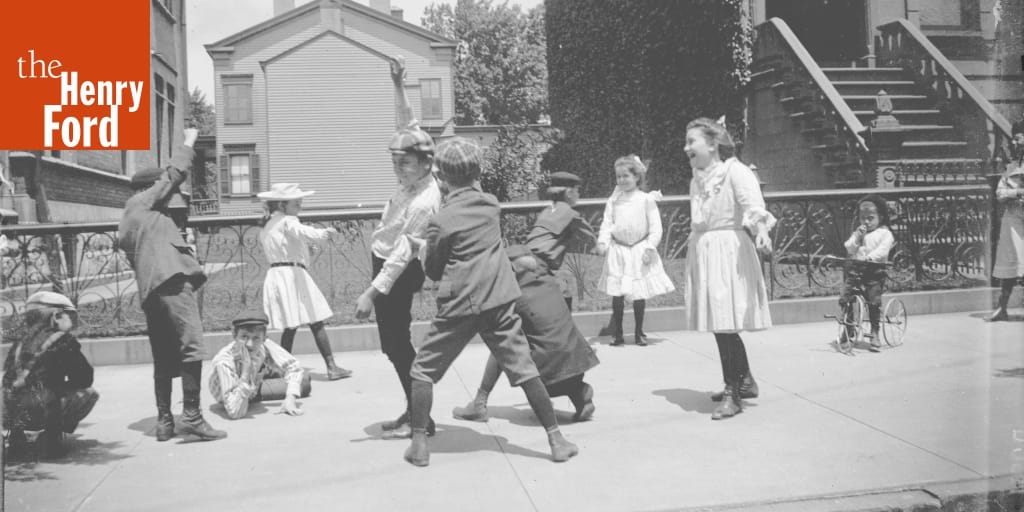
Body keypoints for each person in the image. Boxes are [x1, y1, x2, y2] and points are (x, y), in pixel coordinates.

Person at [403, 137, 578, 467]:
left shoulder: (441, 220)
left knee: (422, 371)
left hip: (459, 305)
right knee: (525, 369)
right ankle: (556, 439)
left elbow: (435, 269)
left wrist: (422, 248)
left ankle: (419, 445)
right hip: (498, 301)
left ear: (440, 177)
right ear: (478, 171)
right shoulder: (491, 205)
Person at [452, 171, 599, 423]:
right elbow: (594, 244)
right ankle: (577, 392)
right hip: (535, 275)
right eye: (577, 191)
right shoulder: (570, 213)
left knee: (507, 335)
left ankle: (481, 401)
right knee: (522, 337)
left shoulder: (548, 211)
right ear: (570, 192)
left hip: (519, 269)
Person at [353, 55, 442, 437]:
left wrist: (371, 293)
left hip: (398, 271)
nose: (399, 168)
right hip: (386, 261)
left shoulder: (425, 201)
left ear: (425, 164)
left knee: (396, 344)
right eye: (397, 162)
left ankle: (422, 417)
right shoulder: (414, 181)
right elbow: (408, 125)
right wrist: (398, 85)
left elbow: (403, 254)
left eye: (406, 163)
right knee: (394, 343)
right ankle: (414, 409)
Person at [118, 127, 226, 442]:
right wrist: (189, 140)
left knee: (164, 355)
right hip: (173, 285)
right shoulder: (145, 202)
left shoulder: (132, 220)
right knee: (192, 347)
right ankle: (191, 417)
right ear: (151, 189)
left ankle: (165, 422)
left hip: (152, 293)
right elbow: (175, 172)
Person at [683, 117, 775, 421]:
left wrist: (761, 231)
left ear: (712, 144)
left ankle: (733, 392)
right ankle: (744, 381)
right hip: (706, 250)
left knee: (724, 322)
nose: (686, 148)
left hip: (728, 253)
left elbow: (753, 207)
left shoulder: (735, 171)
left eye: (692, 141)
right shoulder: (697, 178)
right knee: (720, 322)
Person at [257, 182, 352, 380]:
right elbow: (301, 231)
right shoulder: (287, 220)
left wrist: (304, 252)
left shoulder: (268, 225)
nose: (300, 203)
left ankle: (282, 367)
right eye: (296, 201)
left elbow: (284, 248)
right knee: (315, 320)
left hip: (279, 274)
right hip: (292, 276)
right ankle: (331, 366)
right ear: (283, 205)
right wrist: (323, 234)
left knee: (291, 325)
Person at [3, 292, 99, 457]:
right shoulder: (64, 341)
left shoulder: (19, 342)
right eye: (69, 316)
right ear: (56, 316)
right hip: (44, 410)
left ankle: (16, 438)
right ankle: (52, 436)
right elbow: (85, 378)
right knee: (90, 394)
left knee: (16, 392)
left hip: (11, 411)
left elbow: (8, 379)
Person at [596, 155, 675, 346]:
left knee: (638, 292)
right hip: (619, 250)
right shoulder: (614, 201)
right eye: (619, 177)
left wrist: (649, 247)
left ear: (637, 177)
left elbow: (656, 227)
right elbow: (607, 223)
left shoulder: (646, 200)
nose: (622, 180)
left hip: (639, 250)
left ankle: (639, 331)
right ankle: (618, 333)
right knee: (618, 293)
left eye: (626, 176)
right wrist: (602, 242)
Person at [208, 309, 312, 419]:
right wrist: (246, 372)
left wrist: (290, 400)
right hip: (244, 393)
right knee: (304, 385)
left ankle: (269, 371)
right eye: (244, 337)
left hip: (257, 377)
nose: (250, 344)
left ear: (264, 338)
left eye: (256, 338)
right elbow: (235, 412)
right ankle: (268, 373)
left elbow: (294, 366)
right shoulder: (224, 362)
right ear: (234, 335)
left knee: (302, 377)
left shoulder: (263, 344)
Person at [839, 195, 895, 351]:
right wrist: (857, 236)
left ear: (881, 217)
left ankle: (875, 332)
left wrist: (870, 257)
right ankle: (849, 327)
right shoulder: (860, 232)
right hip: (857, 268)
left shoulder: (885, 234)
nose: (866, 222)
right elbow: (849, 247)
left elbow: (883, 250)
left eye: (871, 218)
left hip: (874, 270)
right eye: (863, 218)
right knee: (847, 296)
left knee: (873, 300)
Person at [988, 119, 1024, 321]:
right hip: (1013, 219)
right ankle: (1002, 307)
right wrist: (1017, 192)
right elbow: (1000, 192)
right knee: (1010, 264)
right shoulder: (1011, 167)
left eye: (1018, 138)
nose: (1015, 143)